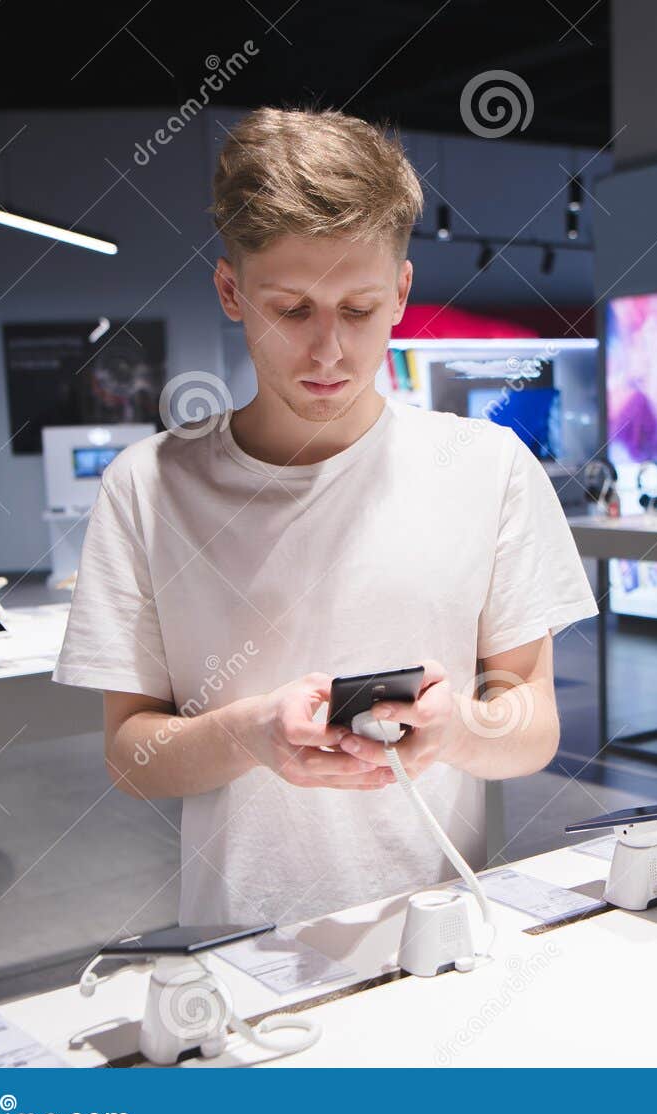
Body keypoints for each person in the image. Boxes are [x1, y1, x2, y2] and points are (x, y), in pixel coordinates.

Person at [52, 108, 597, 926]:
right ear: (232, 293)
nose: (330, 351)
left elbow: (533, 722)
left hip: (441, 936)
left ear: (402, 294)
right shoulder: (149, 487)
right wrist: (248, 735)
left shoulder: (488, 469)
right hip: (239, 951)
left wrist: (459, 729)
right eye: (294, 310)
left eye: (359, 309)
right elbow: (132, 754)